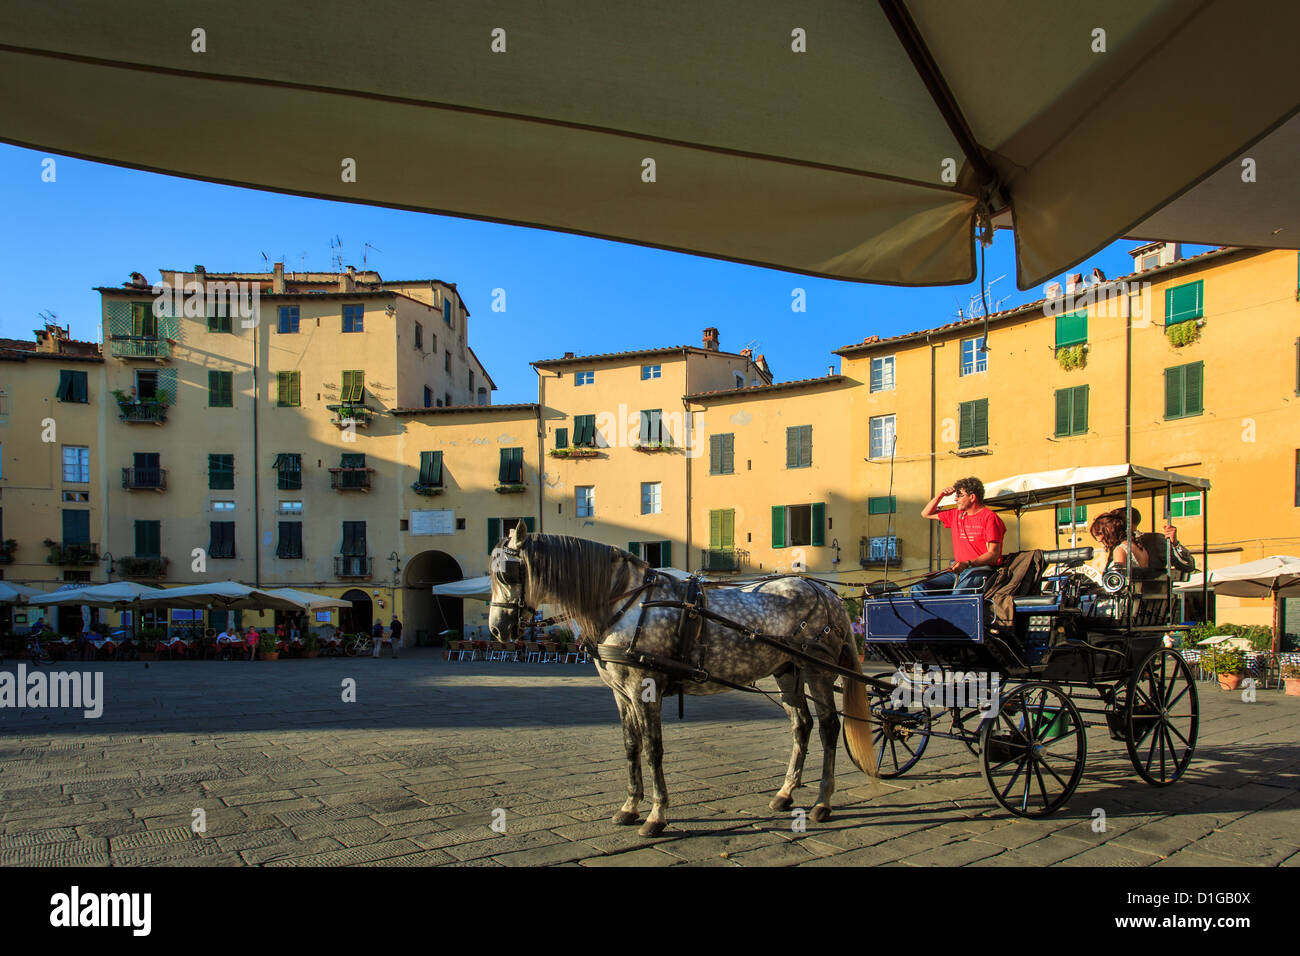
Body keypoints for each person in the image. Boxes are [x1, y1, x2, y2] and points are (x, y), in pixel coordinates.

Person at [914, 476, 1006, 594]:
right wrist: (940, 495)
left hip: (980, 569)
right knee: (919, 586)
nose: (955, 499)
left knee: (958, 596)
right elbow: (925, 513)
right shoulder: (956, 514)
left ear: (972, 497)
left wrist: (967, 563)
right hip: (959, 570)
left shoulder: (990, 517)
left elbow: (993, 554)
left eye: (960, 495)